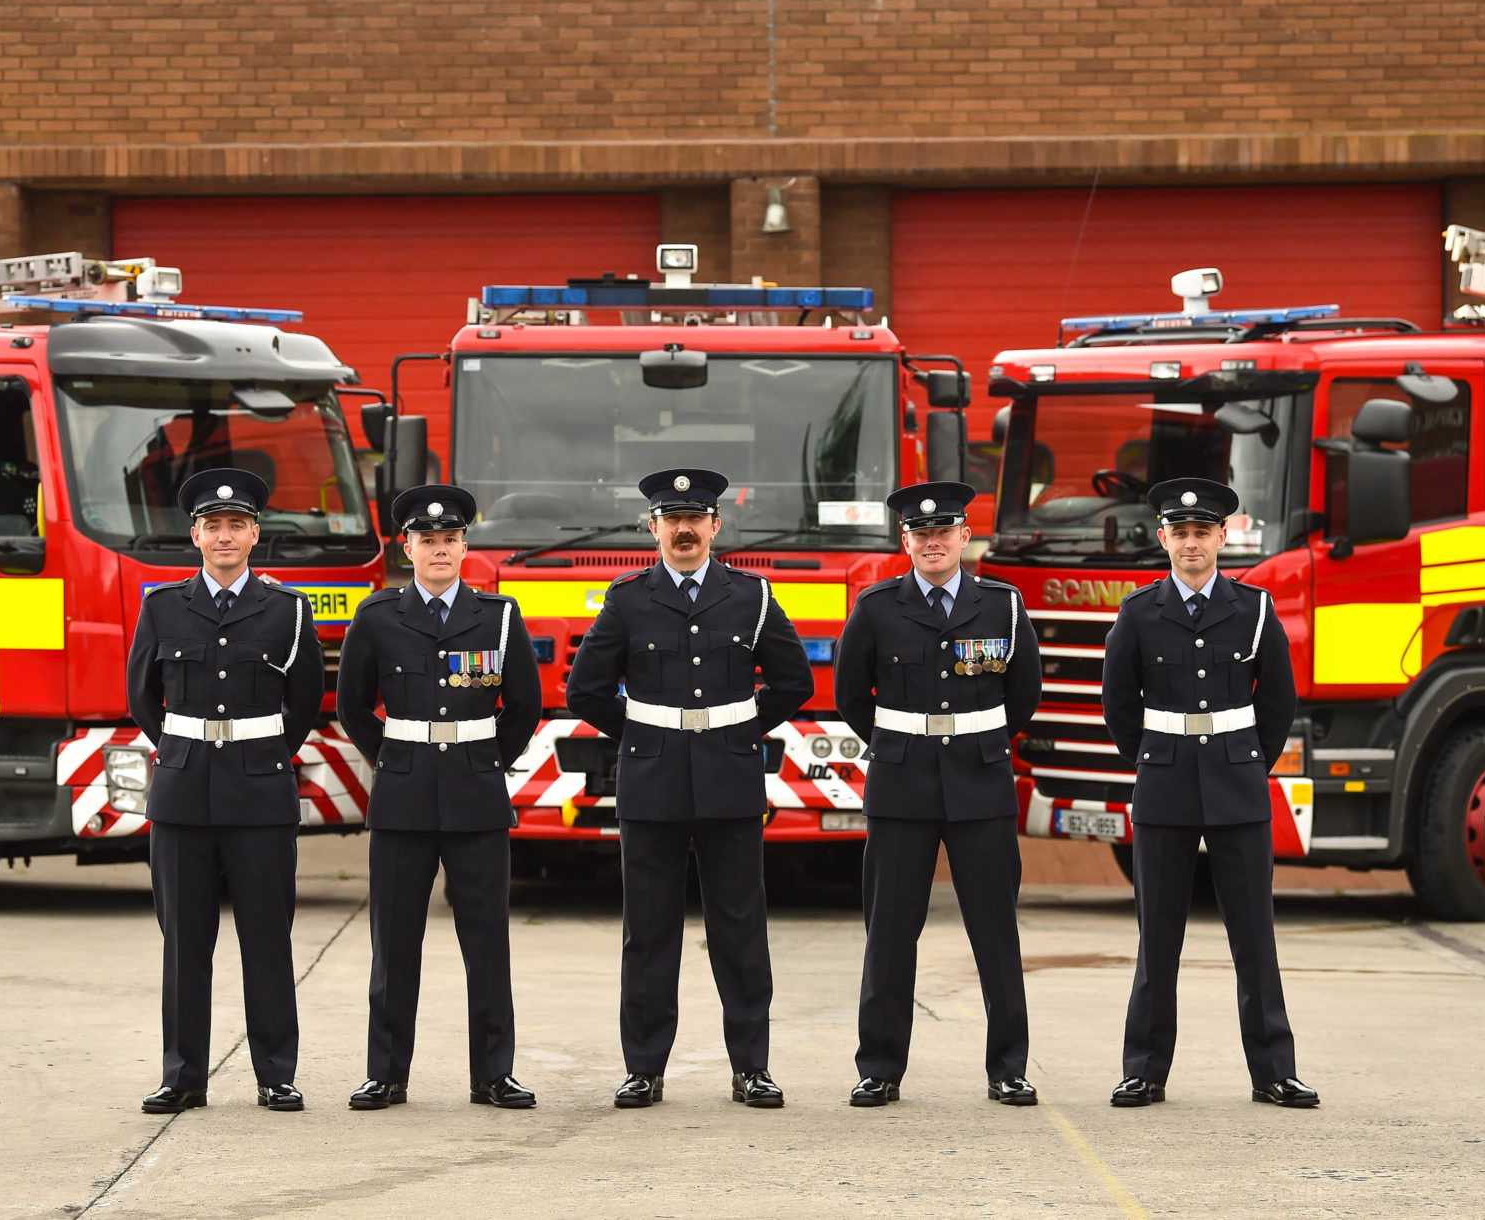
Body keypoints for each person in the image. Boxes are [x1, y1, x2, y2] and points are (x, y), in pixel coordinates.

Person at [565, 468, 815, 1109]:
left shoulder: (751, 597)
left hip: (729, 779)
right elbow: (585, 691)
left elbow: (794, 682)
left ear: (714, 525)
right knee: (648, 931)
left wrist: (741, 730)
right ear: (652, 527)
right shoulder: (627, 599)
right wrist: (642, 733)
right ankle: (644, 1069)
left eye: (695, 518)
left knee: (740, 927)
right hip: (653, 783)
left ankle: (751, 1068)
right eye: (671, 519)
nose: (683, 530)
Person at [1099, 477, 1317, 1109]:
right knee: (1157, 936)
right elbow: (1118, 705)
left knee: (1254, 935)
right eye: (1181, 533)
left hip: (1236, 783)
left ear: (1224, 536)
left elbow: (1277, 703)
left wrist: (1249, 765)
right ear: (1163, 538)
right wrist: (1151, 758)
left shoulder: (1255, 610)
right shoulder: (1138, 612)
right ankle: (1144, 1069)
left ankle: (1274, 1072)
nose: (1191, 544)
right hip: (1165, 783)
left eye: (1203, 532)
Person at [833, 481, 1044, 1107]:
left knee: (995, 933)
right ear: (905, 541)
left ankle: (1008, 1067)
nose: (932, 542)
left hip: (981, 784)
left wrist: (979, 739)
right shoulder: (875, 608)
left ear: (963, 538)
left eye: (943, 533)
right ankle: (880, 1067)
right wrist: (899, 743)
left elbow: (1023, 695)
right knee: (891, 933)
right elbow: (851, 697)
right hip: (902, 786)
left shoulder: (1002, 606)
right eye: (920, 534)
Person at [335, 484, 543, 1111]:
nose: (440, 550)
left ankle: (493, 1074)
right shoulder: (376, 617)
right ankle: (386, 1073)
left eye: (450, 539)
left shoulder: (499, 616)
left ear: (464, 545)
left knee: (487, 943)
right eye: (427, 541)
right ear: (408, 547)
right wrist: (393, 760)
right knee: (394, 943)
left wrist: (488, 762)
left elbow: (525, 707)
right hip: (402, 800)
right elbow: (352, 707)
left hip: (476, 799)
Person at [126, 467, 324, 1114]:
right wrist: (184, 751)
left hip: (259, 793)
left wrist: (261, 755)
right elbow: (143, 700)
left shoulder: (288, 610)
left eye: (237, 525)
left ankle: (276, 1074)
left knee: (267, 938)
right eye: (214, 526)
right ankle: (183, 1076)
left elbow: (303, 705)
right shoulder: (161, 607)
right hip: (183, 795)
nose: (225, 537)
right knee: (185, 944)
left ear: (254, 533)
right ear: (196, 535)